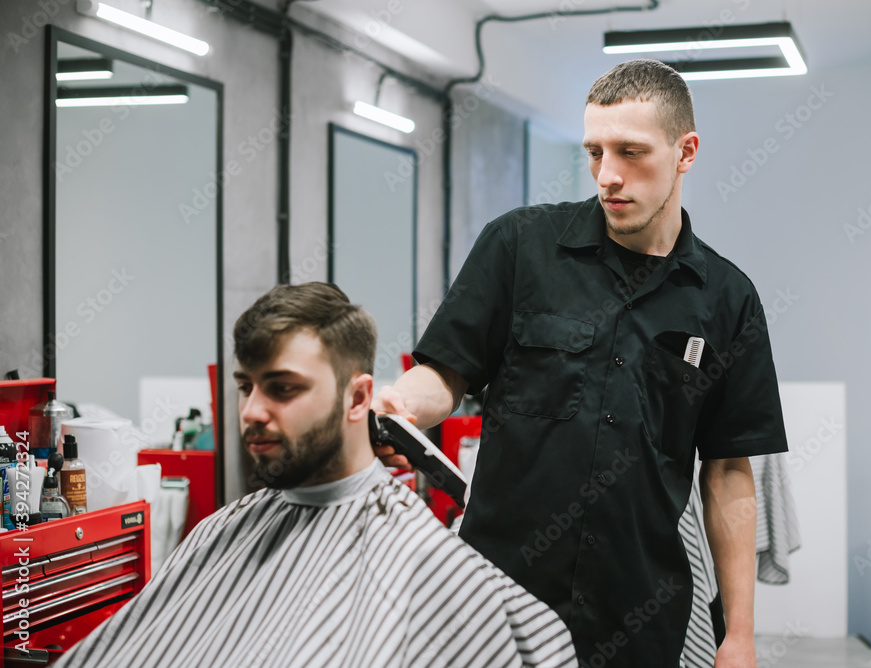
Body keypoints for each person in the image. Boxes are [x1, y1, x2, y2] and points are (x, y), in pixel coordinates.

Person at [373, 60, 788, 667]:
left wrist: (740, 636)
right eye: (595, 152)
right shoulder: (518, 247)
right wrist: (404, 404)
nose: (608, 176)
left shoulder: (728, 300)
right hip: (497, 602)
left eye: (631, 152)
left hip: (639, 615)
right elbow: (446, 373)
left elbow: (727, 472)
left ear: (686, 151)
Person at [57, 283, 578, 668]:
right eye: (246, 387)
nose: (252, 412)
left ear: (357, 397)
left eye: (282, 389)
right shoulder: (222, 530)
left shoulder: (426, 564)